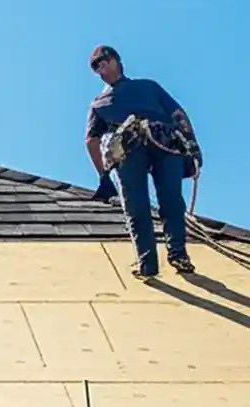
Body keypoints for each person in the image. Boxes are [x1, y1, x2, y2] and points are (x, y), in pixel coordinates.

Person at [84, 45, 199, 279]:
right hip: (128, 149)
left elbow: (178, 114)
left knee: (172, 200)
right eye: (95, 65)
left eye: (103, 60)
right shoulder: (99, 103)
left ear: (116, 60)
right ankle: (147, 263)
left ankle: (178, 254)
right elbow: (91, 140)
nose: (99, 66)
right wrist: (103, 176)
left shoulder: (148, 87)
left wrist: (192, 146)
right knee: (136, 205)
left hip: (165, 143)